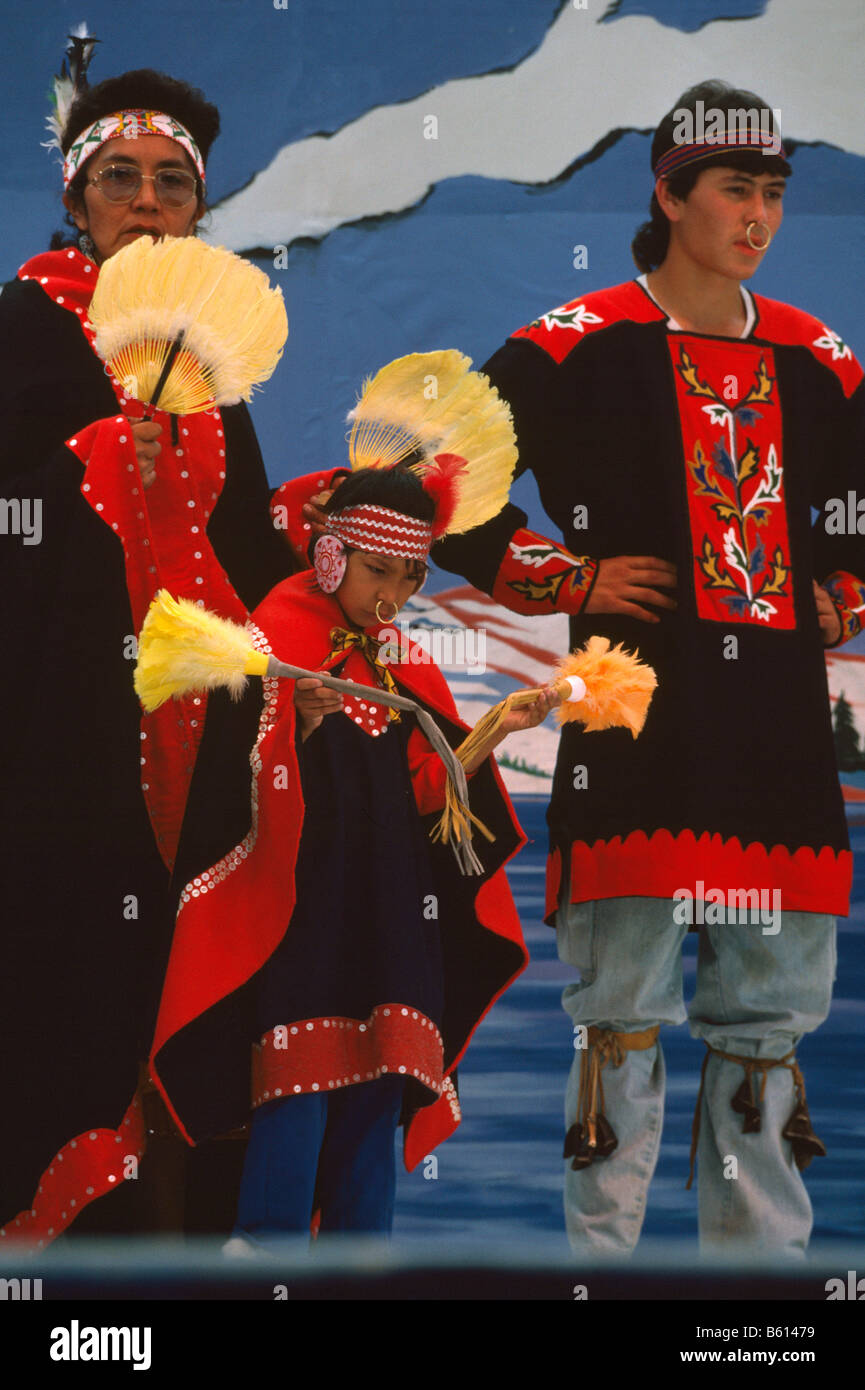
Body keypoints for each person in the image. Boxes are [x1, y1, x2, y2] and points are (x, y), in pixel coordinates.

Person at [293, 81, 864, 1257]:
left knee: (766, 1029)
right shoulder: (574, 342)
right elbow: (426, 477)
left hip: (780, 753)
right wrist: (567, 577)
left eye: (771, 193)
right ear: (668, 191)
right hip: (636, 742)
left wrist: (841, 592)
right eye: (732, 190)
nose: (756, 216)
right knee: (620, 1022)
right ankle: (595, 1279)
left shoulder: (822, 358)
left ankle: (753, 1305)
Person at [0, 46, 294, 1245]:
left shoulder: (207, 351)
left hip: (198, 728)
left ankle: (182, 1259)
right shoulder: (23, 323)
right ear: (75, 199)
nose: (146, 200)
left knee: (186, 974)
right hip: (54, 722)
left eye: (171, 184)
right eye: (118, 177)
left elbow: (253, 547)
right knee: (67, 970)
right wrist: (87, 485)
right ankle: (62, 1260)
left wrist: (314, 631)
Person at [146, 460, 556, 1242]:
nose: (394, 597)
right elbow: (221, 796)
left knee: (382, 1081)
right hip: (301, 913)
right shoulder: (267, 642)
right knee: (296, 1087)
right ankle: (265, 1260)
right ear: (329, 556)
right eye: (378, 573)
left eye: (411, 579)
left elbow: (429, 795)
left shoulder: (401, 660)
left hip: (395, 910)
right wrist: (290, 728)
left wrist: (495, 727)